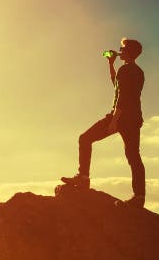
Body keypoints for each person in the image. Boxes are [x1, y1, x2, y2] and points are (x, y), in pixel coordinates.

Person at [61, 38, 146, 208]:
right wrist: (111, 64)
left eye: (122, 48)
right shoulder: (138, 72)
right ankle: (139, 196)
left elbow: (122, 97)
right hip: (134, 119)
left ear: (128, 51)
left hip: (120, 116)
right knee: (133, 156)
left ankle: (83, 178)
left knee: (85, 138)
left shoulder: (125, 70)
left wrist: (114, 121)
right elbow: (117, 86)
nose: (119, 50)